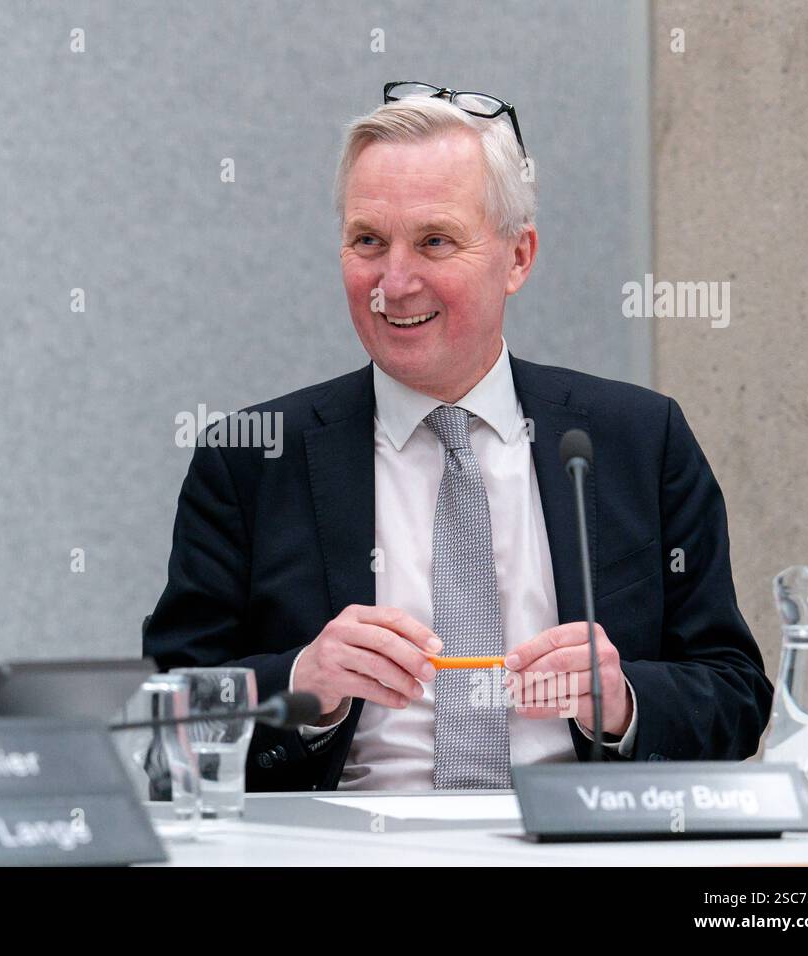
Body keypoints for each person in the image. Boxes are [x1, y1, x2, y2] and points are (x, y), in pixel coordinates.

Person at [143, 86, 773, 792]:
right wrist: (299, 684)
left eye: (435, 241)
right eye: (368, 242)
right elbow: (165, 725)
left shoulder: (638, 439)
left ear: (518, 258)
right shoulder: (251, 459)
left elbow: (736, 698)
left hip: (574, 847)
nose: (395, 282)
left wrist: (623, 701)